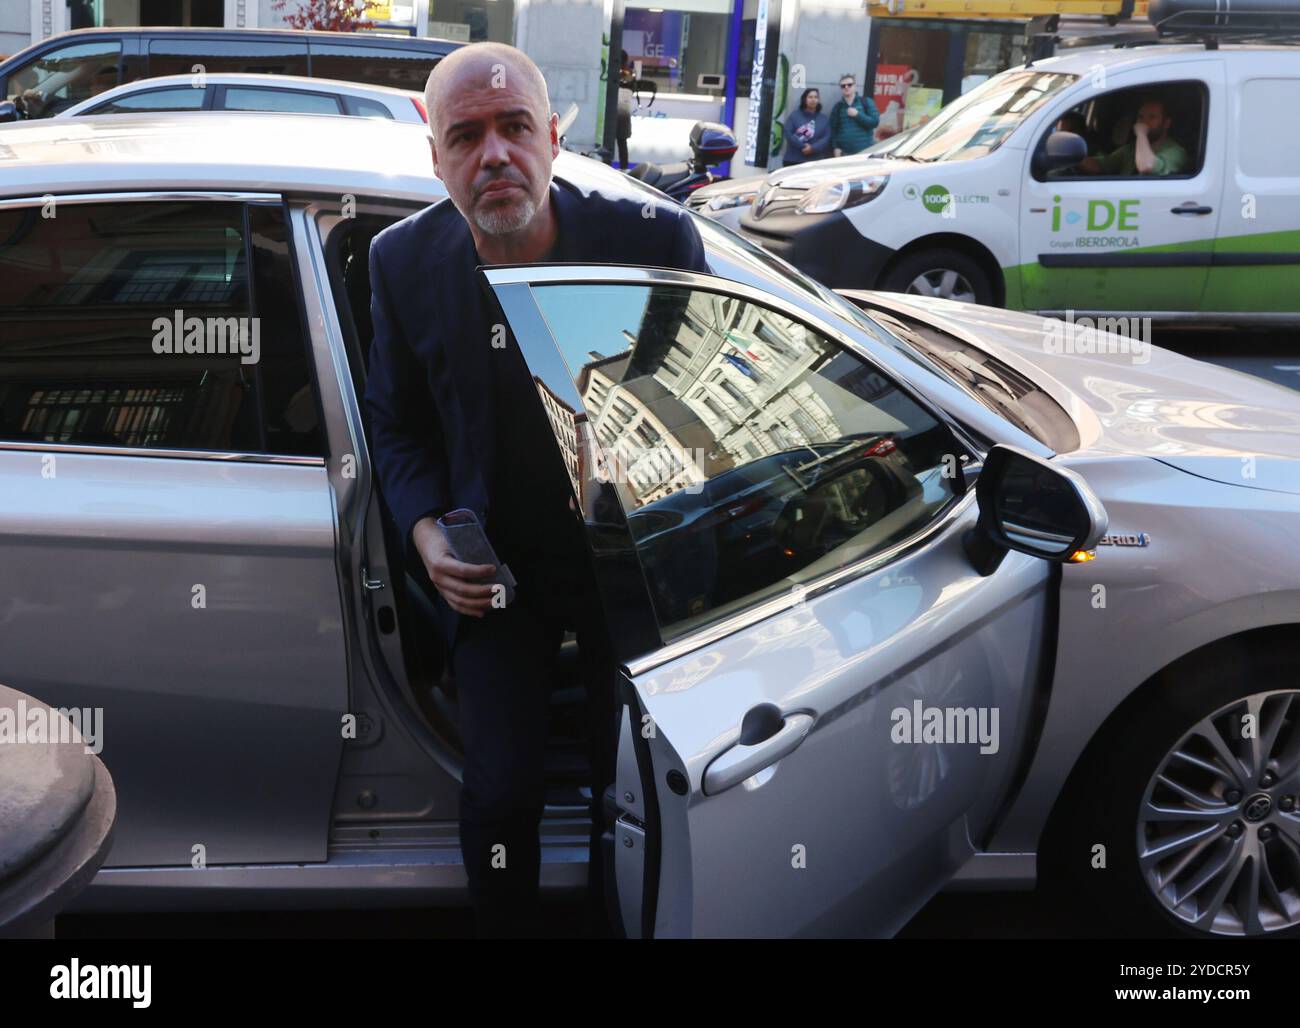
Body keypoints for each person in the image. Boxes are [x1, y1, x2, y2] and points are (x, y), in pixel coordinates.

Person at [364, 41, 711, 938]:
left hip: (624, 562)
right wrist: (428, 534)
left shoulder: (653, 243)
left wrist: (647, 475)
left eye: (515, 128)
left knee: (629, 781)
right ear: (434, 153)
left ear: (554, 138)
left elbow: (704, 406)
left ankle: (620, 918)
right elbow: (396, 426)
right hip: (492, 570)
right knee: (500, 790)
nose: (495, 157)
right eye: (467, 136)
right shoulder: (399, 263)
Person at [1080, 97, 1187, 176]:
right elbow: (1101, 165)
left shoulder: (1175, 152)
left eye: (1152, 117)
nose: (1144, 122)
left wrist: (1141, 133)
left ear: (1166, 123)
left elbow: (1146, 167)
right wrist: (1074, 160)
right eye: (1140, 117)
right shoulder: (1131, 149)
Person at [830, 74, 879, 157]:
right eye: (843, 86)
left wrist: (857, 115)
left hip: (864, 152)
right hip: (844, 153)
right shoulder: (838, 107)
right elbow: (833, 130)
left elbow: (875, 122)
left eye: (849, 84)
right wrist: (836, 147)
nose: (846, 87)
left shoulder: (866, 101)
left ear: (855, 86)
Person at [782, 88, 831, 165]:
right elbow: (788, 133)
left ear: (818, 100)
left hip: (815, 161)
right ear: (804, 99)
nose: (813, 100)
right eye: (810, 97)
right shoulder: (794, 116)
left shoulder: (824, 119)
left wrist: (813, 148)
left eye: (816, 97)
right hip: (793, 160)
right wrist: (803, 146)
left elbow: (826, 137)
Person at [616, 50, 634, 170]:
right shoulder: (629, 74)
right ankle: (624, 168)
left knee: (606, 144)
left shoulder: (619, 73)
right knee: (622, 143)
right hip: (624, 113)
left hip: (616, 112)